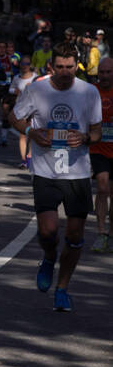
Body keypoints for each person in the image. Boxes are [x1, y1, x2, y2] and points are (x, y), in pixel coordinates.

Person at [10, 43, 103, 310]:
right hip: (45, 171)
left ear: (77, 66)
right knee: (48, 232)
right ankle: (49, 257)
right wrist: (30, 133)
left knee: (74, 235)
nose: (65, 72)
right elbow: (14, 117)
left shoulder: (88, 92)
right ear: (52, 66)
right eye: (60, 67)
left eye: (70, 67)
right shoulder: (36, 90)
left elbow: (96, 131)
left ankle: (62, 289)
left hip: (77, 174)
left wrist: (86, 137)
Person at [91, 57, 113, 253]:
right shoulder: (92, 91)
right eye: (102, 72)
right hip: (98, 148)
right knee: (103, 187)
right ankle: (101, 233)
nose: (105, 76)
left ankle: (111, 235)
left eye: (109, 72)